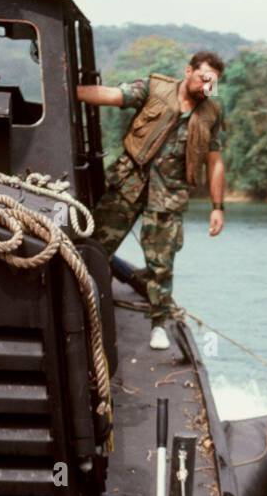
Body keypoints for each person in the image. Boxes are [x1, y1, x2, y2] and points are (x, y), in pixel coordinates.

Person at [77, 51, 226, 349]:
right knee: (94, 249)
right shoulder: (154, 88)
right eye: (202, 79)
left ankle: (158, 325)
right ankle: (80, 312)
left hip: (169, 195)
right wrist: (70, 91)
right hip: (128, 183)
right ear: (188, 71)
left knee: (161, 265)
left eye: (212, 83)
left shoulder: (211, 114)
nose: (206, 87)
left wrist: (217, 208)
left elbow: (215, 162)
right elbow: (111, 95)